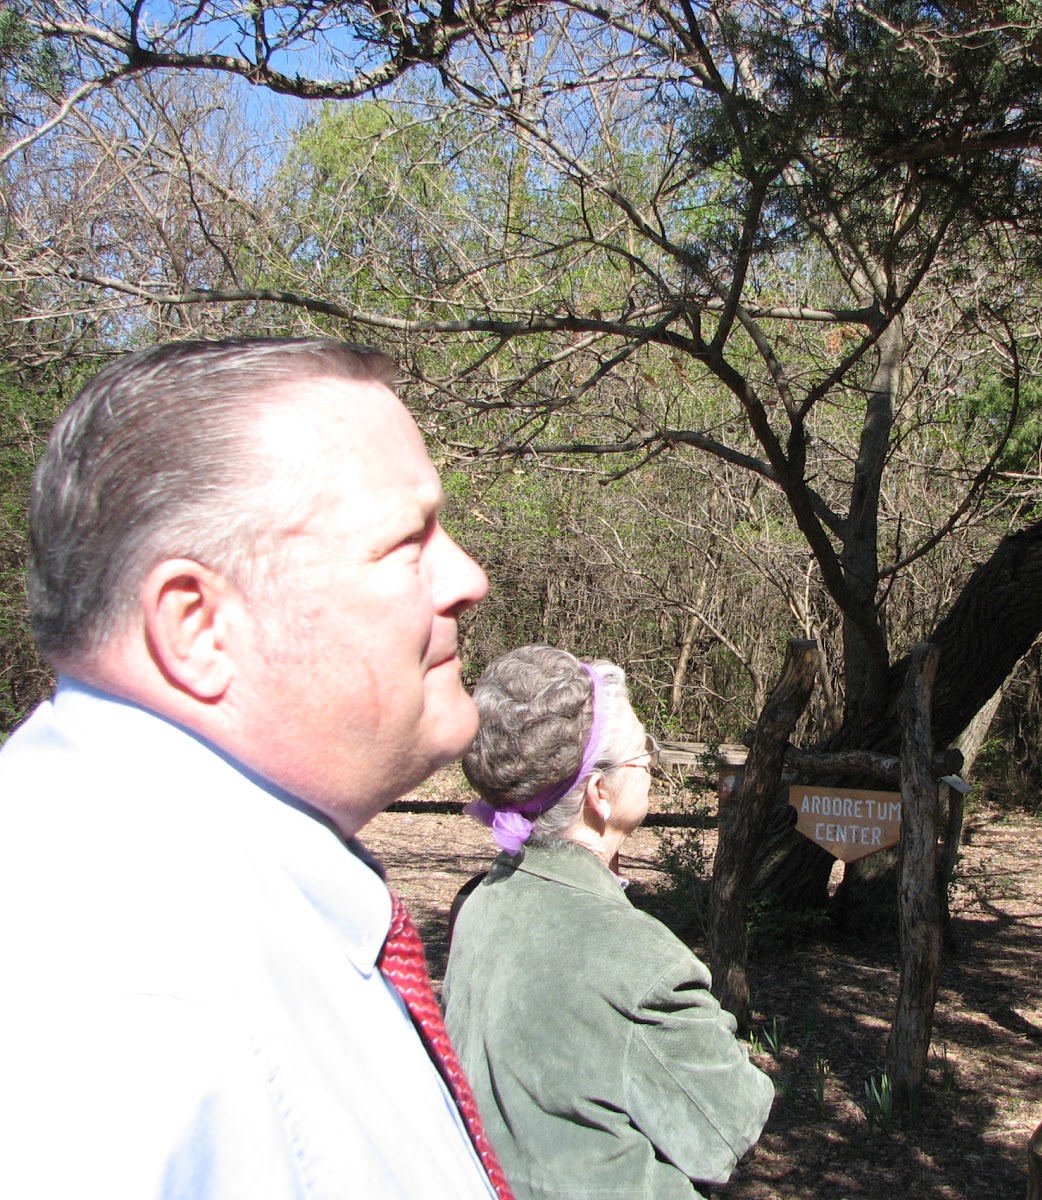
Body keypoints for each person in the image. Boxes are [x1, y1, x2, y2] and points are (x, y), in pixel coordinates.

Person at [0, 339, 510, 1198]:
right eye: (406, 541)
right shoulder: (108, 1023)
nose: (469, 577)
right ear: (197, 626)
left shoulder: (198, 903)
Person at [444, 645, 774, 1200]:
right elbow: (727, 1128)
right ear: (601, 793)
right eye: (644, 753)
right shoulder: (641, 960)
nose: (651, 764)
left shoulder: (480, 901)